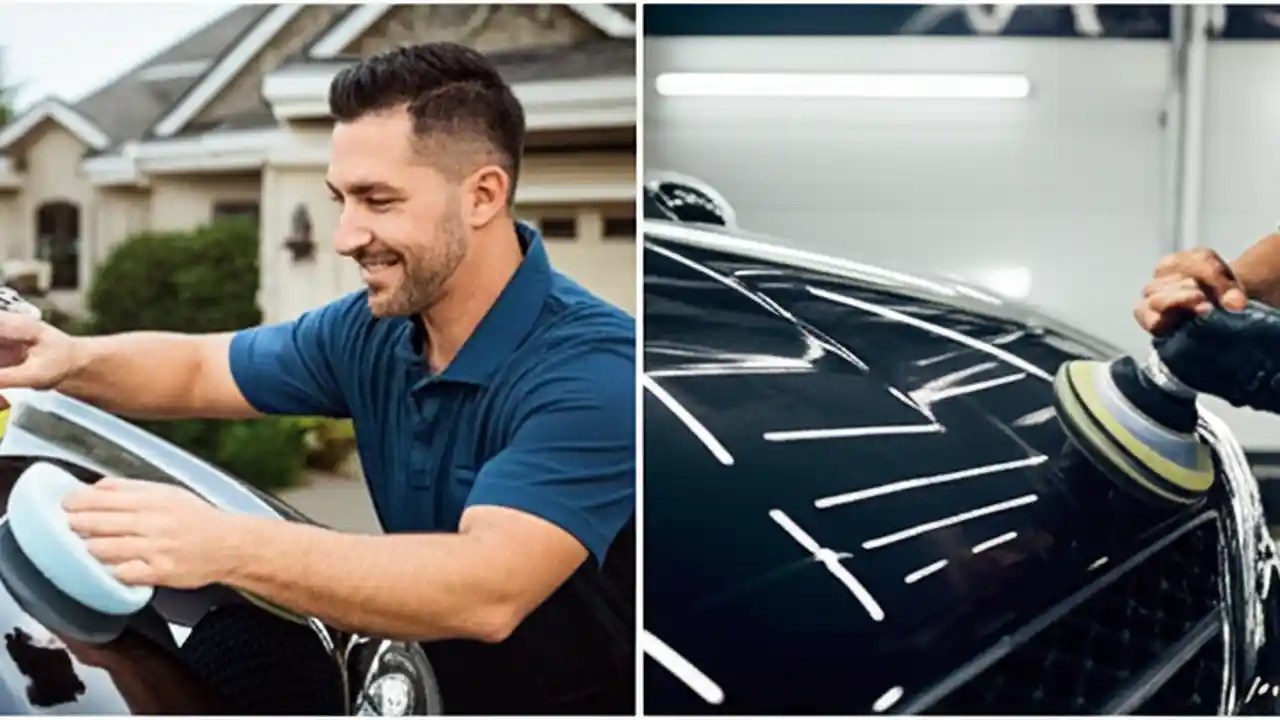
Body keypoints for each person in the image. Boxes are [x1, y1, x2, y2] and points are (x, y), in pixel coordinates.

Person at [0, 42, 636, 714]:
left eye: (377, 200)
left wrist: (222, 544)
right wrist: (63, 358)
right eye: (341, 199)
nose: (345, 235)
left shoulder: (592, 370)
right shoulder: (373, 331)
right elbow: (199, 368)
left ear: (482, 195)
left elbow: (488, 588)